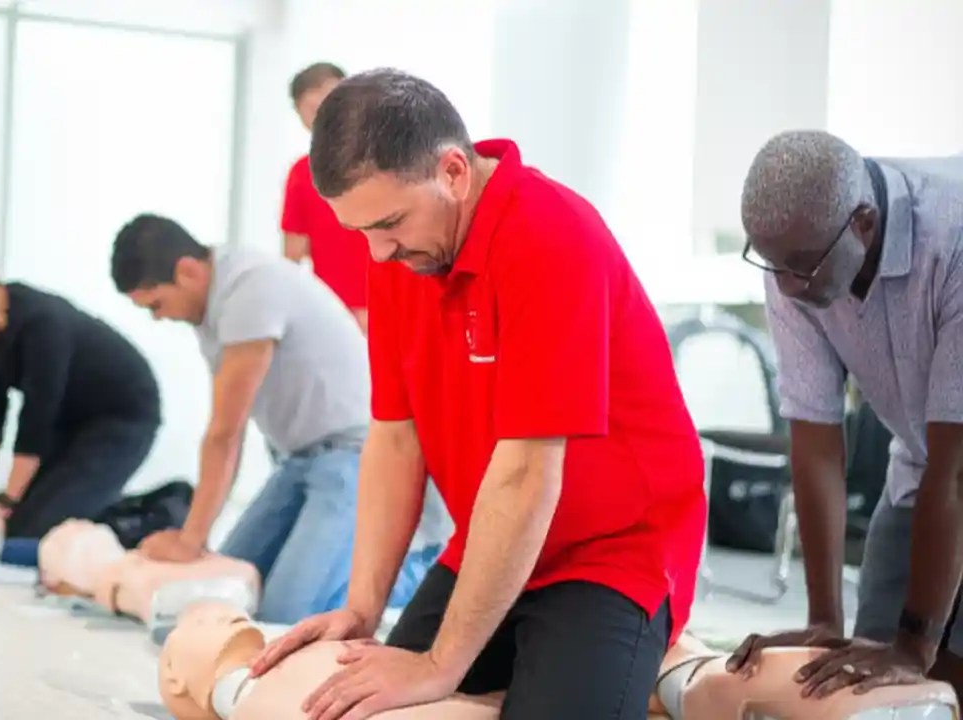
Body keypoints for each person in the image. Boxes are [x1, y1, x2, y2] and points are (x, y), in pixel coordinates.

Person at [248, 69, 708, 720]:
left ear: (455, 172)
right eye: (361, 233)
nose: (377, 254)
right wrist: (361, 609)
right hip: (490, 544)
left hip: (610, 553)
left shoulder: (551, 234)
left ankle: (668, 668)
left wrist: (441, 667)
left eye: (388, 223)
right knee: (363, 706)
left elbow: (526, 471)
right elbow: (395, 436)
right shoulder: (404, 251)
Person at [110, 213, 447, 625]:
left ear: (188, 271)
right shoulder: (211, 302)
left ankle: (426, 572)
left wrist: (189, 540)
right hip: (301, 458)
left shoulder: (249, 288)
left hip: (354, 451)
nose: (158, 318)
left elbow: (225, 433)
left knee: (286, 614)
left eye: (156, 304)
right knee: (233, 589)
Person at [727, 130, 963, 700]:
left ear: (863, 223)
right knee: (860, 681)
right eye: (772, 264)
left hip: (952, 472)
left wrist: (916, 648)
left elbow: (956, 474)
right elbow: (816, 444)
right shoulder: (797, 251)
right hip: (920, 472)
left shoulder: (952, 238)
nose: (785, 286)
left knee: (936, 681)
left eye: (801, 268)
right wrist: (822, 622)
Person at [0, 240, 161, 538]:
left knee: (36, 529)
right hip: (70, 420)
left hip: (123, 418)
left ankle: (162, 511)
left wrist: (7, 500)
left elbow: (36, 417)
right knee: (22, 520)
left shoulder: (42, 323)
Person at [281, 62, 372, 333]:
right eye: (314, 110)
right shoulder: (301, 174)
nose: (326, 118)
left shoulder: (387, 163)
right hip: (333, 316)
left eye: (332, 105)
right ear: (300, 114)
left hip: (396, 310)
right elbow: (292, 257)